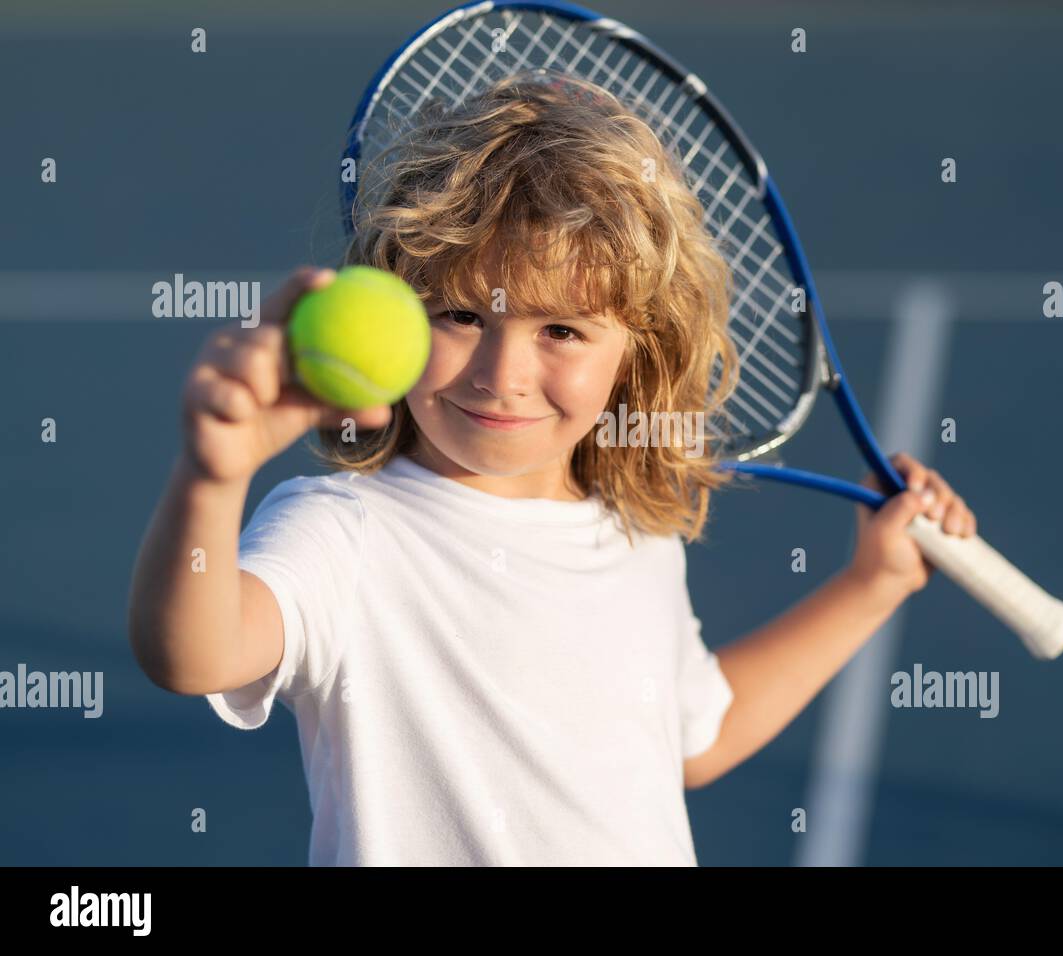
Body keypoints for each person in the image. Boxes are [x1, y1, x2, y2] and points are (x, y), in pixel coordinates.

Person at [126, 74, 975, 866]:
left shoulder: (634, 538)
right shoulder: (344, 533)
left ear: (635, 353)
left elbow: (694, 738)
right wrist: (211, 478)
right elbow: (195, 655)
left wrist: (873, 584)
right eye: (460, 314)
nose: (502, 374)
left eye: (561, 331)